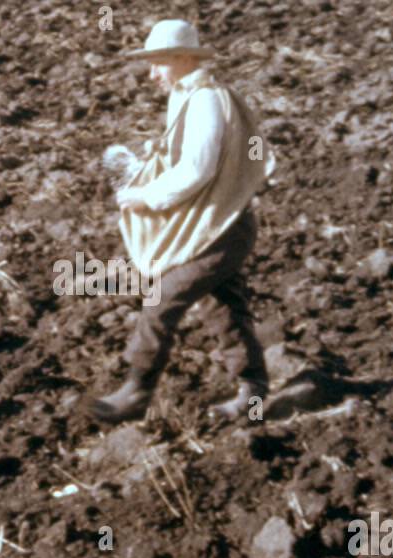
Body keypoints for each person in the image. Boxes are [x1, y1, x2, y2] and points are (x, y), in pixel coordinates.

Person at [89, 19, 276, 424]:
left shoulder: (206, 100)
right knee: (225, 308)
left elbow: (197, 170)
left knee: (161, 299)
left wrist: (146, 197)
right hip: (210, 226)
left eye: (158, 63)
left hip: (221, 229)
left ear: (183, 58)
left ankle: (137, 392)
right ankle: (254, 393)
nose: (152, 73)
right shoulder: (185, 98)